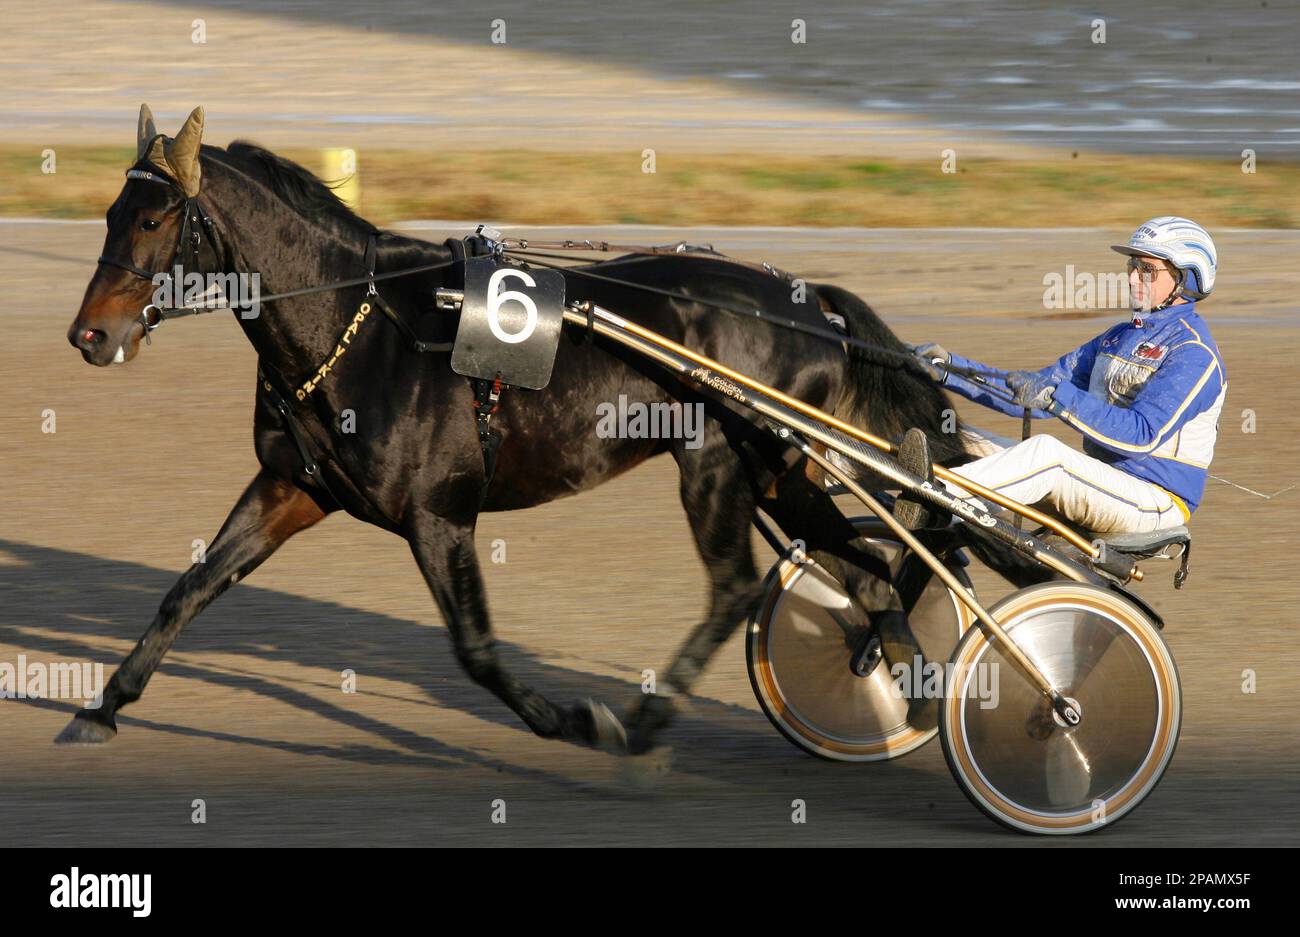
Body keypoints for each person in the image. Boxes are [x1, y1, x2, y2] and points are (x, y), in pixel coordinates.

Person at [913, 217, 1227, 535]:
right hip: (1104, 480)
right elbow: (1031, 394)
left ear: (1186, 278)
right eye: (1132, 266)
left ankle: (933, 502)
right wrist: (949, 370)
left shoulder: (1193, 353)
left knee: (1046, 454)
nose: (1133, 279)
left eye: (1147, 270)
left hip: (1155, 499)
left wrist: (1056, 396)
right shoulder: (1118, 337)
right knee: (967, 439)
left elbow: (1140, 436)